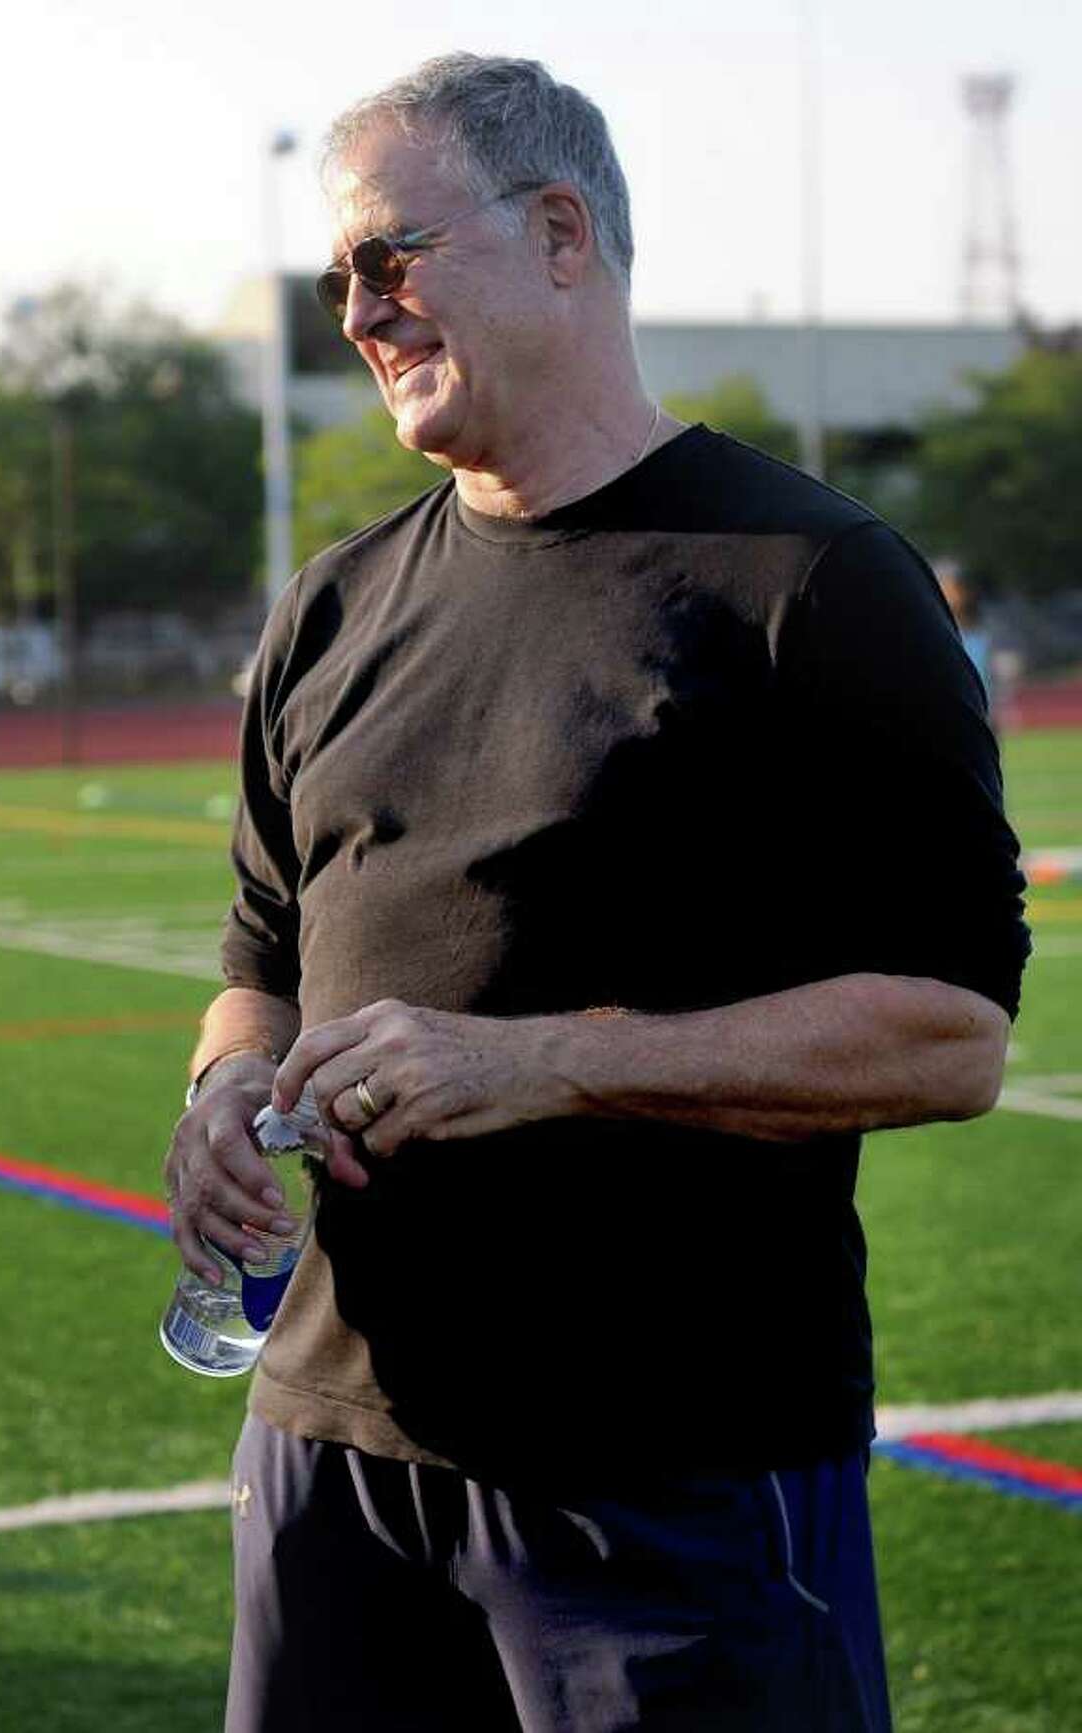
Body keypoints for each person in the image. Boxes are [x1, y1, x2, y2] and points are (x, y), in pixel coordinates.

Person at [163, 54, 1028, 1733]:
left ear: (561, 232)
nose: (356, 313)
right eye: (335, 277)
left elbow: (950, 1036)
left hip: (671, 1475)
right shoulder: (332, 605)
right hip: (330, 1442)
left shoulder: (816, 585)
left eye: (388, 260)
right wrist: (218, 1087)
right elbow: (262, 947)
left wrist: (537, 1061)